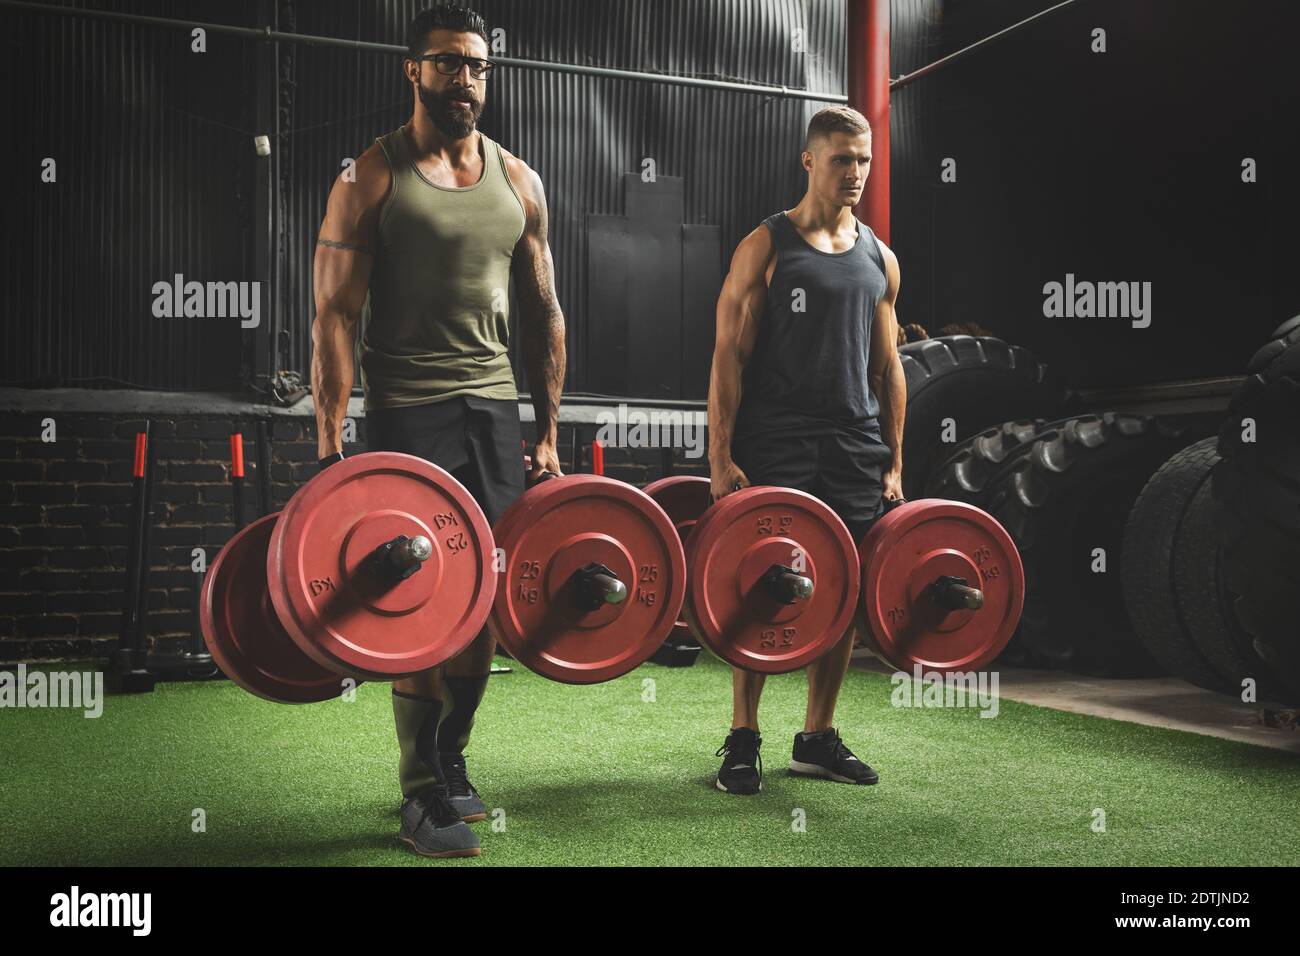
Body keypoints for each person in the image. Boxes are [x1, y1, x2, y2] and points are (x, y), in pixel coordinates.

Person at [310, 4, 565, 856]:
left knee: (483, 598)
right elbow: (335, 316)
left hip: (493, 412)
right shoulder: (370, 176)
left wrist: (549, 430)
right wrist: (328, 437)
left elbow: (545, 316)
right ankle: (419, 790)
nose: (465, 80)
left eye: (478, 66)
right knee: (421, 598)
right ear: (411, 70)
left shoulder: (519, 181)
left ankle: (452, 758)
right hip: (408, 411)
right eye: (449, 64)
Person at [705, 106, 906, 795]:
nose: (855, 173)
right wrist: (720, 460)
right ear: (810, 162)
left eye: (865, 160)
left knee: (846, 590)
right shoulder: (767, 245)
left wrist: (895, 460)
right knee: (767, 581)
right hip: (777, 437)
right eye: (842, 159)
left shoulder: (879, 257)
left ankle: (816, 737)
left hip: (853, 442)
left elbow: (889, 368)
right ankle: (743, 736)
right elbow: (727, 357)